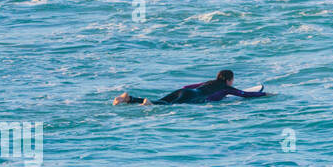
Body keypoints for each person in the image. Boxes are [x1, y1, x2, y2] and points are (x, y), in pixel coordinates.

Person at [112, 69, 268, 106]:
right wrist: (266, 94)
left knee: (161, 100)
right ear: (228, 80)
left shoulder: (209, 82)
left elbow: (187, 86)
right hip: (191, 96)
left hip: (186, 91)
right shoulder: (227, 88)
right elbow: (245, 94)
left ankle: (128, 98)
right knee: (165, 106)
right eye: (233, 80)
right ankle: (146, 103)